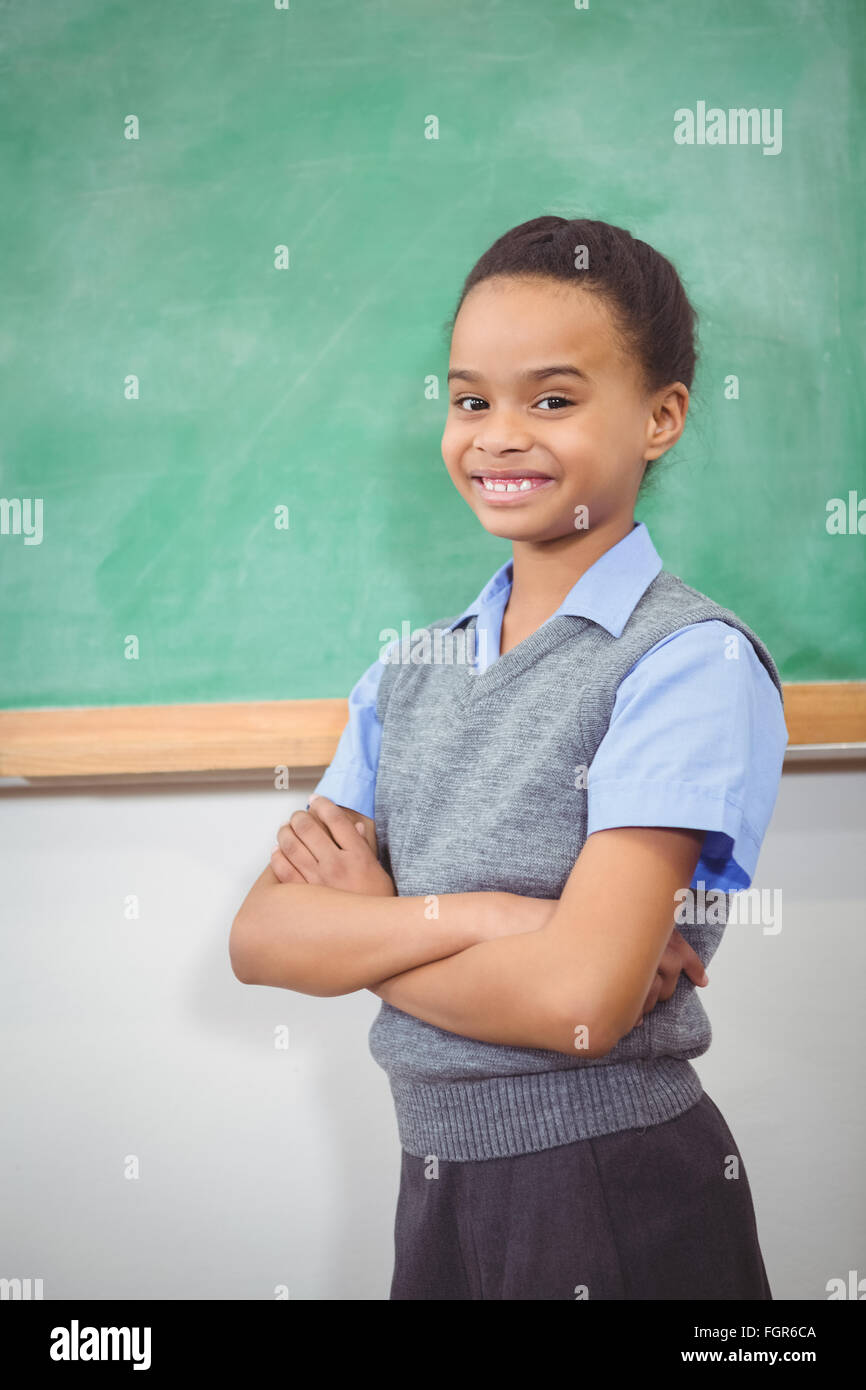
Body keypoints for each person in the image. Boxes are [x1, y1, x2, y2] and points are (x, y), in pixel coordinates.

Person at [230, 216, 788, 1300]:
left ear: (660, 416)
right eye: (469, 398)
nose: (496, 435)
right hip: (432, 1184)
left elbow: (578, 997)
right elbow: (263, 938)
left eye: (552, 397)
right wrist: (497, 918)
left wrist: (364, 931)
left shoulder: (687, 663)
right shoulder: (408, 672)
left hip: (609, 1189)